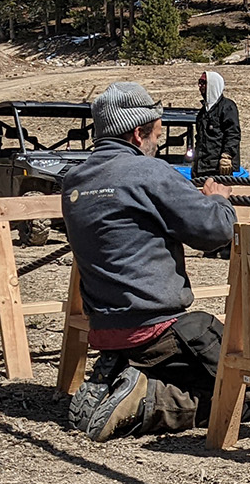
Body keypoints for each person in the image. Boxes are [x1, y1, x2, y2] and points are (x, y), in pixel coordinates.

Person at [63, 82, 240, 443]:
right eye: (156, 135)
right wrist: (219, 199)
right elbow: (215, 231)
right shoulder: (149, 173)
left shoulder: (73, 183)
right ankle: (145, 400)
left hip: (104, 328)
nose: (156, 144)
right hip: (157, 329)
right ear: (137, 132)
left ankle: (122, 374)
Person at [190, 70, 240, 181]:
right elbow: (199, 139)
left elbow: (233, 134)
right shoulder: (202, 112)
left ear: (213, 84)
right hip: (202, 168)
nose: (200, 86)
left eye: (203, 82)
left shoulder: (227, 107)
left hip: (220, 168)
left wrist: (227, 155)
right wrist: (195, 162)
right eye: (199, 82)